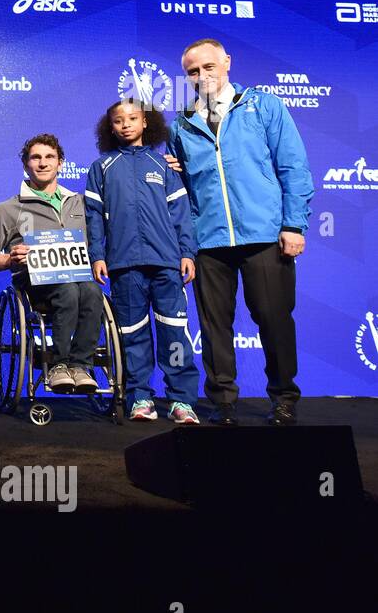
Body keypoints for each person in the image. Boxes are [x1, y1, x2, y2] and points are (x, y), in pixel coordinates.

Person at [166, 38, 314, 425]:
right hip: (208, 240)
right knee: (215, 327)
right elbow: (181, 187)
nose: (201, 76)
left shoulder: (264, 106)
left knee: (274, 319)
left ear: (227, 63)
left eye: (208, 67)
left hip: (264, 235)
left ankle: (284, 397)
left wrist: (293, 224)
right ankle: (223, 403)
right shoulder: (181, 124)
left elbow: (293, 168)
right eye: (193, 71)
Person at [86, 101, 200, 424]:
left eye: (133, 118)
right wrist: (97, 256)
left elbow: (181, 215)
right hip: (124, 265)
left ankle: (181, 400)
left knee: (174, 335)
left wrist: (187, 253)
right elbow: (93, 218)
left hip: (166, 264)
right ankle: (140, 397)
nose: (126, 124)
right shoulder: (102, 167)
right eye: (118, 121)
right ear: (110, 128)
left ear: (146, 123)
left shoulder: (164, 165)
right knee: (132, 335)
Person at [0, 133, 102, 394]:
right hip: (34, 284)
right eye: (35, 157)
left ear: (60, 163)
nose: (42, 163)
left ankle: (81, 365)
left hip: (78, 279)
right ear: (26, 164)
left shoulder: (80, 203)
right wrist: (9, 259)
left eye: (50, 157)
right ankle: (58, 365)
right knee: (68, 291)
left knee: (93, 291)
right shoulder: (8, 209)